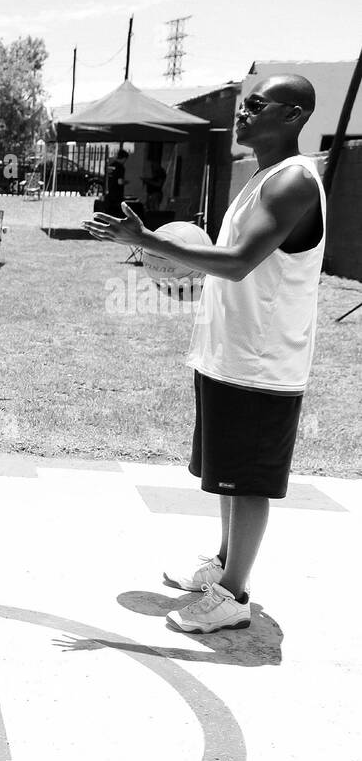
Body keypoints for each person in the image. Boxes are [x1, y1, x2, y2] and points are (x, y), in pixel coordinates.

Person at [84, 74, 326, 635]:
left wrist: (146, 241)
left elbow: (238, 260)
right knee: (227, 474)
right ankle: (224, 564)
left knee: (250, 480)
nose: (243, 114)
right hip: (230, 353)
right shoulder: (261, 176)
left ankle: (235, 595)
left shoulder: (292, 183)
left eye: (257, 106)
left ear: (292, 116)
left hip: (264, 362)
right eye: (243, 105)